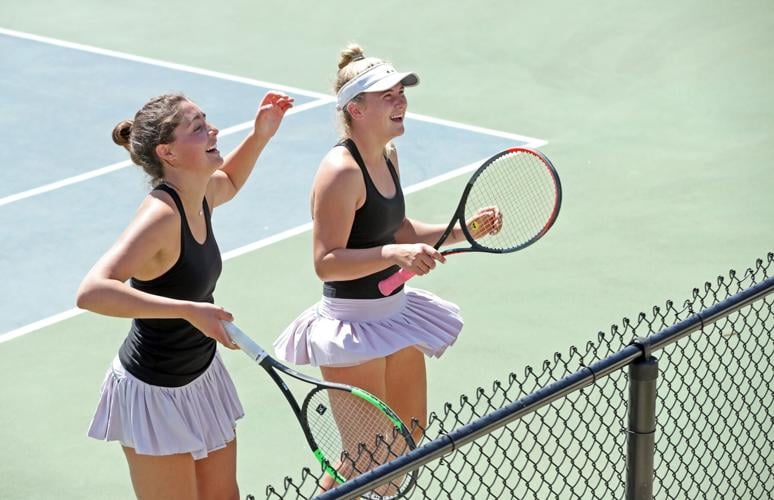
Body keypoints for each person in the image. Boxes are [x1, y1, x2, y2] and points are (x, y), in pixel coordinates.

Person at [273, 44, 500, 489]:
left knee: (408, 439)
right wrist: (393, 257)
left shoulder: (387, 157)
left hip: (394, 314)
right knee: (366, 463)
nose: (401, 102)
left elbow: (396, 229)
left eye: (401, 92)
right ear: (355, 110)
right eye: (387, 95)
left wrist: (460, 232)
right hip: (351, 327)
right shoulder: (340, 171)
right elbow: (326, 263)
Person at [77, 90, 293, 500]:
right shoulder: (160, 217)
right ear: (168, 153)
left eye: (206, 121)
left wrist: (260, 133)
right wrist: (189, 311)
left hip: (200, 375)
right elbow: (91, 292)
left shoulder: (201, 193)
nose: (213, 130)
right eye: (197, 129)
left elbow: (228, 182)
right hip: (154, 393)